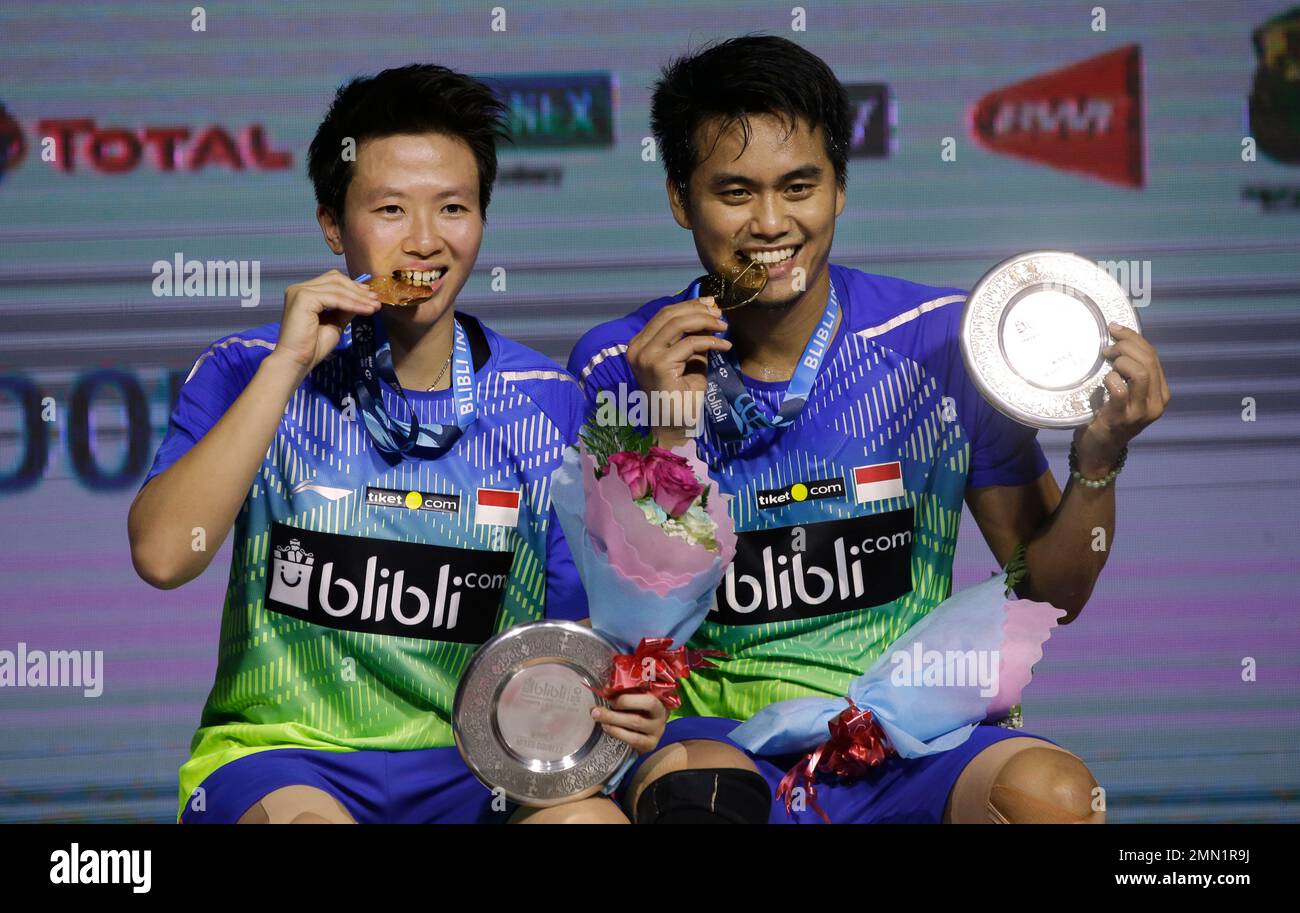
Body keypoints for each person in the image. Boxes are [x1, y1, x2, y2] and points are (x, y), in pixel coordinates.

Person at [565, 36, 1170, 824]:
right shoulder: (621, 364)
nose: (772, 223)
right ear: (681, 199)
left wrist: (1100, 459)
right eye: (736, 191)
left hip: (911, 737)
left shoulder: (943, 341)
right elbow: (622, 634)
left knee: (1051, 799)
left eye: (800, 185)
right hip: (718, 739)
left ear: (840, 188)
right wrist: (664, 438)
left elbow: (1051, 592)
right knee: (699, 803)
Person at [128, 64, 665, 825]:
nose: (424, 240)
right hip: (288, 759)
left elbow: (571, 639)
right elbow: (161, 555)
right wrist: (287, 368)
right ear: (331, 224)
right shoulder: (247, 367)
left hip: (482, 767)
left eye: (453, 206)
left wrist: (627, 700)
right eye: (389, 208)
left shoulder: (551, 405)